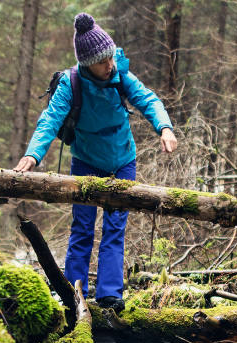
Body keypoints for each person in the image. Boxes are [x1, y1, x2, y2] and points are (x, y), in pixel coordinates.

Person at [14, 13, 177, 312]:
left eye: (111, 58)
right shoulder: (70, 84)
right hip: (87, 162)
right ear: (87, 62)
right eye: (103, 62)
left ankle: (110, 296)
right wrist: (33, 154)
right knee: (83, 228)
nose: (110, 65)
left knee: (115, 228)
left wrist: (164, 127)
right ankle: (74, 293)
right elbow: (50, 120)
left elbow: (149, 99)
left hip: (123, 162)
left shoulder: (121, 76)